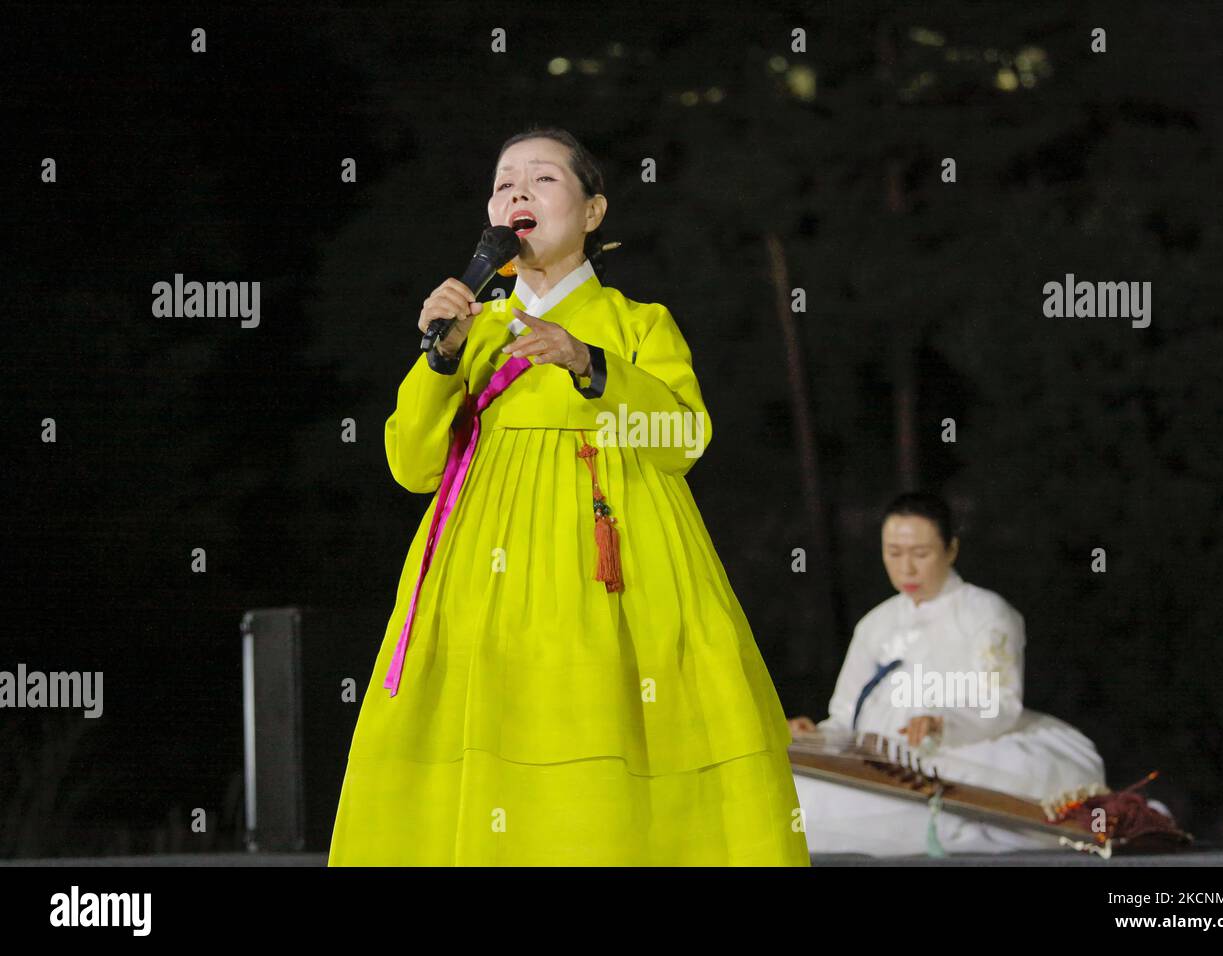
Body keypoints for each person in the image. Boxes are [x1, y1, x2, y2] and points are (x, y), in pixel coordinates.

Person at [327, 127, 810, 866]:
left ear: (593, 212)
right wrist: (439, 358)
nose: (517, 190)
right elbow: (411, 465)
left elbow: (682, 437)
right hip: (480, 574)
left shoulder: (637, 324)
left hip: (613, 568)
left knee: (607, 742)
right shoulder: (470, 334)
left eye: (543, 178)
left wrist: (589, 364)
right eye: (503, 181)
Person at [787, 492, 1106, 856]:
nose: (906, 569)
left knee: (953, 800)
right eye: (893, 553)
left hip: (962, 743)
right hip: (876, 753)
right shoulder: (875, 624)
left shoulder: (987, 614)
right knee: (798, 792)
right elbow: (846, 716)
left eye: (920, 554)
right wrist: (816, 733)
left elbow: (997, 704)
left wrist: (942, 723)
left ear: (950, 550)